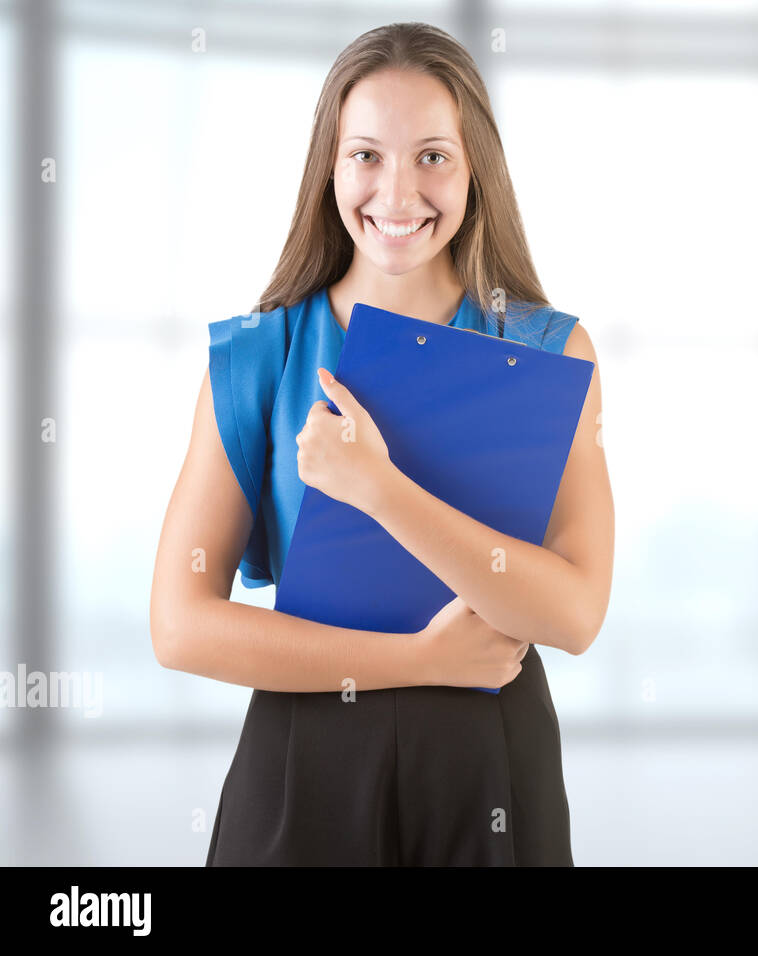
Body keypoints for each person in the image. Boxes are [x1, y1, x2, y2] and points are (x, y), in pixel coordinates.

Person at [148, 21, 614, 866]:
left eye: (432, 155)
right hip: (305, 756)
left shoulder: (550, 351)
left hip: (490, 769)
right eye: (367, 155)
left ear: (476, 169)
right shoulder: (260, 356)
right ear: (330, 167)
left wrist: (376, 487)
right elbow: (180, 625)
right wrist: (419, 661)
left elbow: (576, 614)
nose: (397, 194)